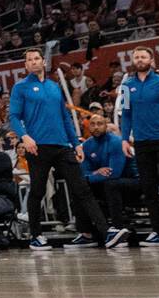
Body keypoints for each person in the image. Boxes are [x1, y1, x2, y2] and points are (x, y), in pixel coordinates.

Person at [10, 48, 124, 250]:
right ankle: (36, 236)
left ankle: (106, 233)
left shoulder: (54, 87)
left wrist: (77, 143)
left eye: (38, 58)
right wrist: (25, 137)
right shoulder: (20, 88)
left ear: (43, 63)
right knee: (37, 192)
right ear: (26, 65)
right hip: (37, 147)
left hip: (63, 146)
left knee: (82, 190)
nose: (35, 62)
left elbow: (65, 117)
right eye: (30, 60)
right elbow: (14, 117)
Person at [118, 45, 159, 247]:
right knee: (148, 189)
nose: (140, 59)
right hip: (141, 143)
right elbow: (126, 114)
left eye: (143, 56)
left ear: (151, 61)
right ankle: (158, 232)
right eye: (136, 57)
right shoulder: (126, 86)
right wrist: (125, 139)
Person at [82, 112, 140, 239]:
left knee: (111, 184)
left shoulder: (116, 142)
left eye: (100, 124)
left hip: (133, 182)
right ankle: (86, 233)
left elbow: (115, 173)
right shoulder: (86, 145)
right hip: (106, 182)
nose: (96, 127)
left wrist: (89, 177)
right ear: (88, 127)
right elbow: (84, 172)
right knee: (80, 187)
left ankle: (118, 229)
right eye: (92, 124)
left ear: (106, 126)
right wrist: (93, 173)